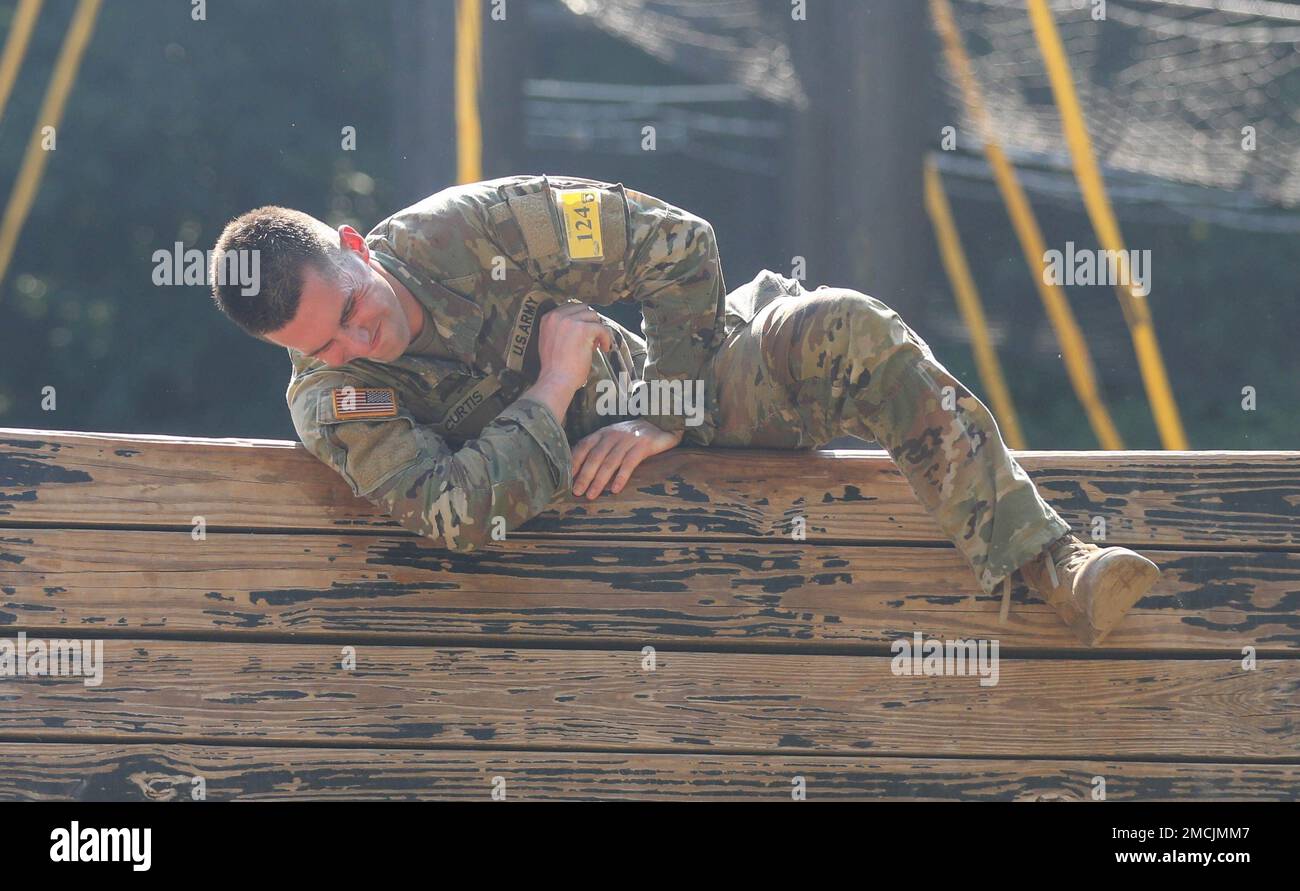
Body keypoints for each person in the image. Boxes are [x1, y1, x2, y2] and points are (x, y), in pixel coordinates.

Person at [209, 173, 1159, 645]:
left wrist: (668, 400)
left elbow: (675, 243)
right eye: (318, 347)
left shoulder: (472, 229)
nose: (354, 347)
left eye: (352, 312)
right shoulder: (334, 403)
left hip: (675, 388)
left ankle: (1051, 562)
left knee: (846, 326)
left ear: (353, 246)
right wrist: (551, 386)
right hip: (580, 559)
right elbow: (454, 512)